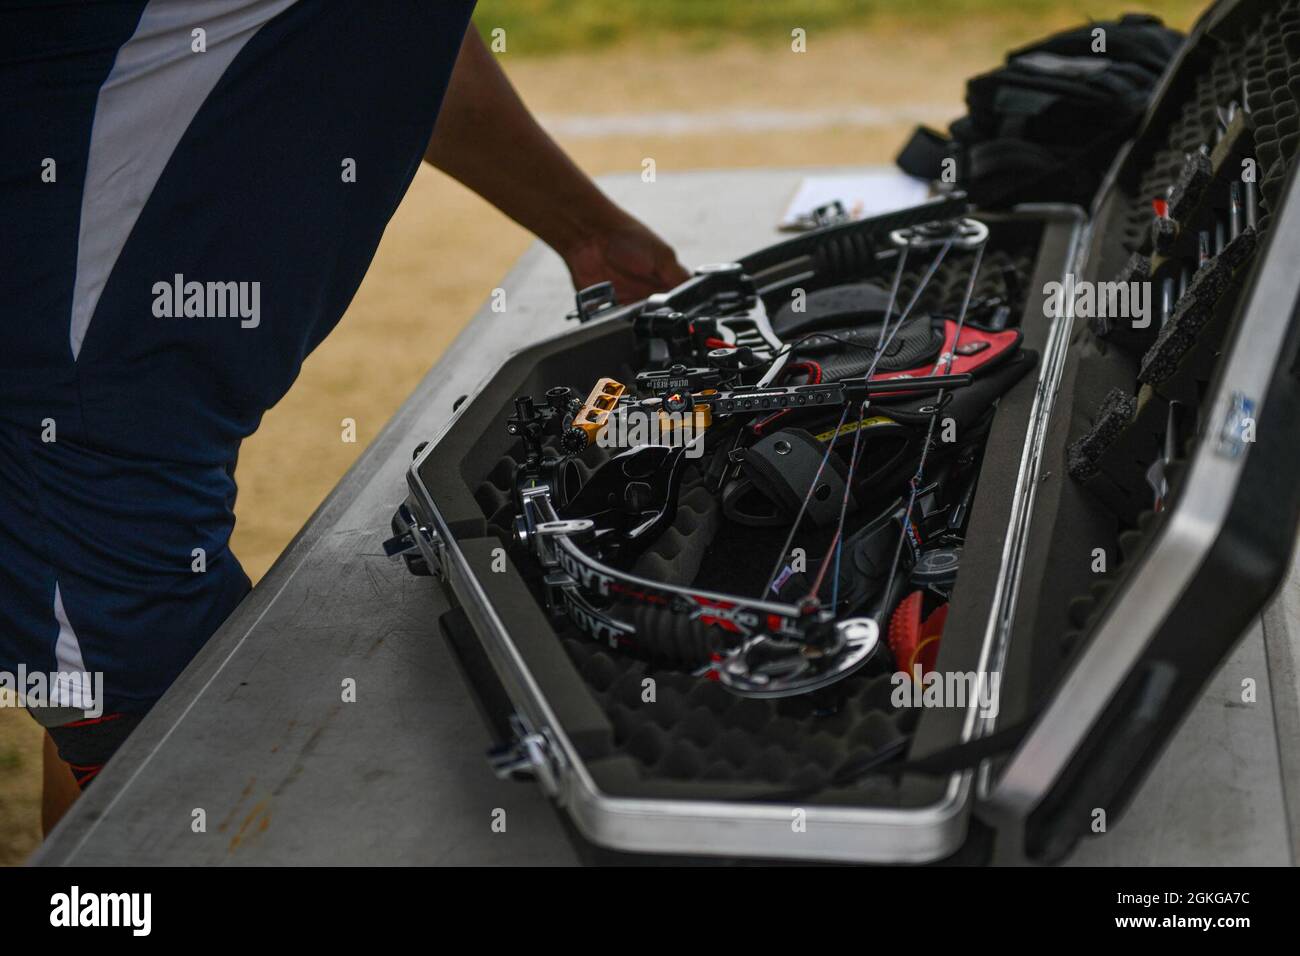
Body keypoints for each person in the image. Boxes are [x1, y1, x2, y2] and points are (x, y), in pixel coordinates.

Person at [0, 1, 689, 831]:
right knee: (168, 760)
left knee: (128, 716)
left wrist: (589, 234)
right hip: (73, 409)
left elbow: (392, 26)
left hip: (137, 398)